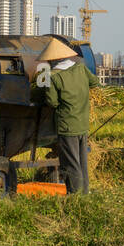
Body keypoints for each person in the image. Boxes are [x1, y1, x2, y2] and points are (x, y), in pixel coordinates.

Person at [34, 39, 99, 194]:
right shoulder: (81, 69)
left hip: (67, 125)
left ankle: (75, 196)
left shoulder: (54, 77)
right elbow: (94, 82)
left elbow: (52, 102)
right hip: (82, 124)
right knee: (82, 161)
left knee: (71, 163)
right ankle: (84, 193)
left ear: (52, 59)